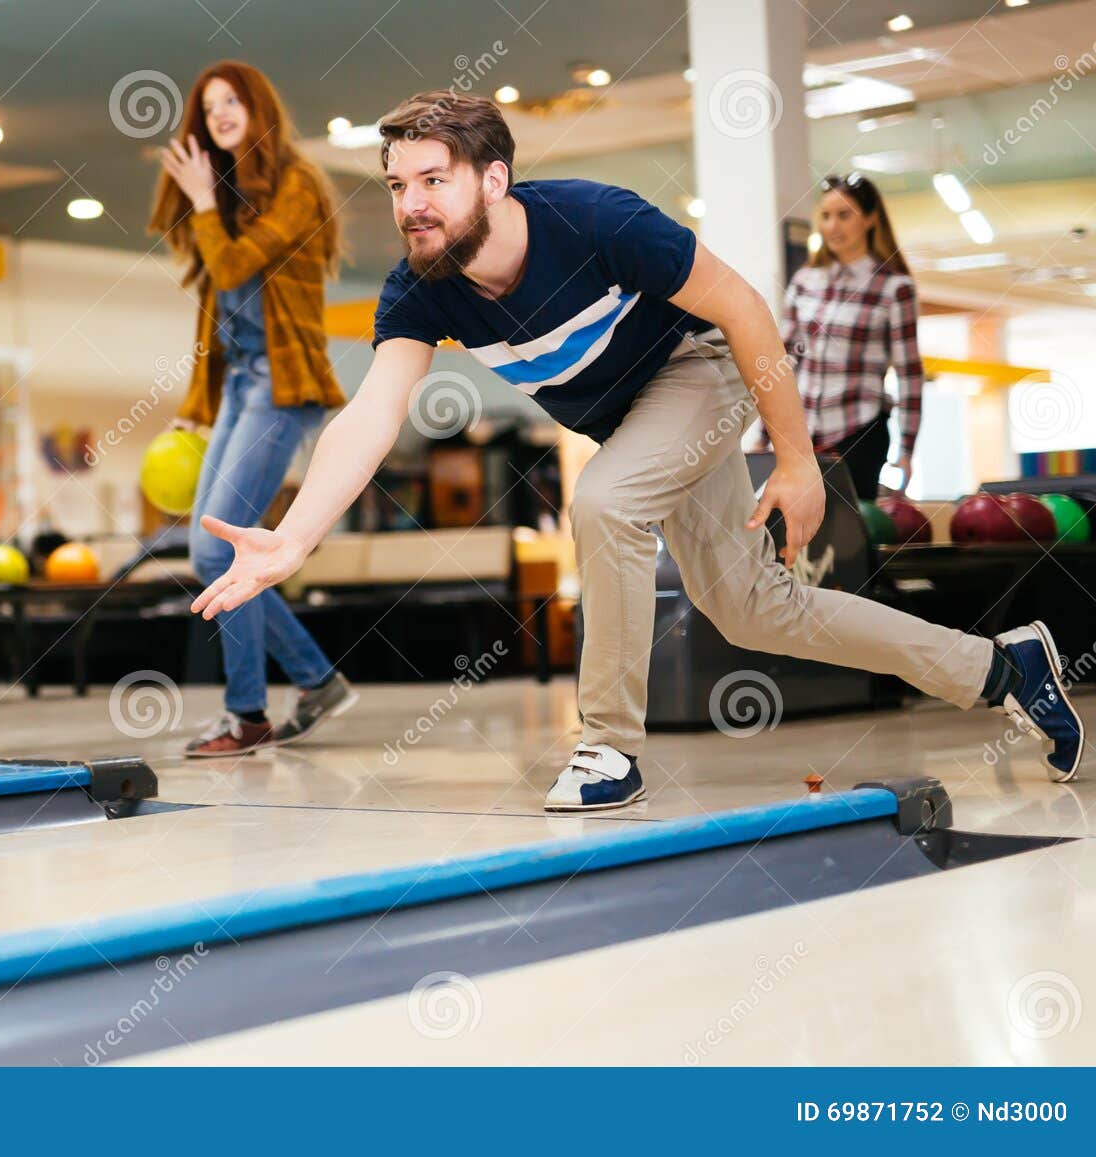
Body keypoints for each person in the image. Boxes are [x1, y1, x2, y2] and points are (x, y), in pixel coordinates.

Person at [189, 90, 1083, 807]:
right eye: (396, 186)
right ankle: (1004, 665)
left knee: (606, 503)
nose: (411, 205)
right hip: (632, 422)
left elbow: (742, 309)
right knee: (754, 609)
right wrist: (297, 534)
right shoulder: (422, 287)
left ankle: (608, 749)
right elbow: (372, 414)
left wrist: (798, 457)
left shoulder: (595, 221)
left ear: (493, 179)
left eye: (434, 180)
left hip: (698, 371)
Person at [149, 60, 357, 758]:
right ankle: (312, 680)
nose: (221, 114)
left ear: (259, 106)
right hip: (241, 386)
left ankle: (249, 712)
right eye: (209, 108)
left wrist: (206, 204)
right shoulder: (229, 194)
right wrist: (194, 406)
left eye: (232, 101)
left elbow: (238, 267)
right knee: (208, 549)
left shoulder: (296, 183)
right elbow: (219, 315)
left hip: (284, 386)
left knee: (218, 549)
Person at [776, 172, 923, 499]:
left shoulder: (893, 287)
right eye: (826, 216)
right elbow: (783, 361)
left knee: (848, 542)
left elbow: (909, 372)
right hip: (801, 435)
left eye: (844, 215)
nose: (832, 226)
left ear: (870, 219)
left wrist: (908, 449)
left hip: (860, 432)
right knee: (792, 538)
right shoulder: (805, 280)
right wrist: (764, 430)